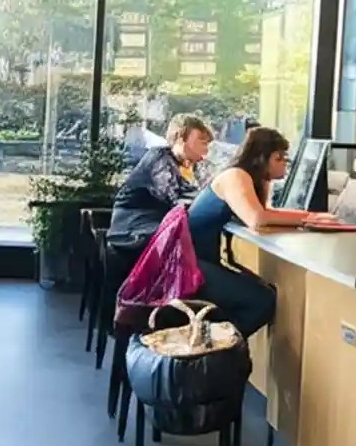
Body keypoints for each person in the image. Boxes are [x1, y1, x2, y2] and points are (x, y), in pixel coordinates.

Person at [187, 127, 328, 337]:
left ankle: (218, 343)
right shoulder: (236, 176)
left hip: (201, 260)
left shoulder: (249, 177)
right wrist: (309, 218)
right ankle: (218, 347)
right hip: (190, 265)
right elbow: (257, 218)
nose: (286, 165)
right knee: (261, 300)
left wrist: (310, 216)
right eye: (282, 159)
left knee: (259, 293)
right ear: (268, 157)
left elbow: (265, 212)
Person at [109, 114, 213, 245]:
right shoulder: (159, 158)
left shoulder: (195, 168)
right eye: (202, 142)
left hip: (159, 230)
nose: (206, 149)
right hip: (134, 232)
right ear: (180, 138)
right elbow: (175, 198)